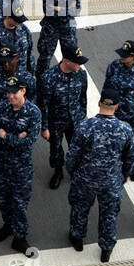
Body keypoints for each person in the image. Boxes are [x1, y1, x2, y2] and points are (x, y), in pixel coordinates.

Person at [66, 93, 134, 262]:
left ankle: (77, 238)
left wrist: (74, 172)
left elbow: (72, 155)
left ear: (99, 103)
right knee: (109, 214)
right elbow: (132, 156)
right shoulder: (125, 128)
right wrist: (124, 175)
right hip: (111, 181)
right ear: (116, 106)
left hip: (85, 179)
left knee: (80, 209)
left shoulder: (86, 126)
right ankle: (106, 248)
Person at [0, 76, 41, 253]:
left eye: (14, 93)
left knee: (19, 202)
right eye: (8, 92)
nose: (11, 96)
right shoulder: (0, 108)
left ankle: (20, 237)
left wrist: (5, 136)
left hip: (21, 167)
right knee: (3, 199)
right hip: (0, 163)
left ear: (23, 91)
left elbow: (29, 141)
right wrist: (15, 137)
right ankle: (8, 225)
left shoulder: (33, 112)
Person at [0, 45, 36, 198]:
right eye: (3, 62)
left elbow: (33, 102)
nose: (6, 65)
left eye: (10, 61)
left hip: (19, 125)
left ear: (17, 58)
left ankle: (14, 183)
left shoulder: (26, 78)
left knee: (17, 155)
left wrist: (31, 126)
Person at [38, 46, 88, 189]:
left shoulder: (81, 75)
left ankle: (75, 171)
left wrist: (82, 117)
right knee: (56, 149)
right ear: (66, 61)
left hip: (75, 120)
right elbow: (43, 105)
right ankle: (58, 172)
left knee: (77, 148)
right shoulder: (48, 77)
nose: (80, 65)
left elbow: (83, 98)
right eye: (77, 62)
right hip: (56, 122)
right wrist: (44, 127)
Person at [102, 40, 134, 180]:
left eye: (125, 55)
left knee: (133, 143)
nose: (121, 57)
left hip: (133, 116)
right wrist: (104, 106)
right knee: (114, 141)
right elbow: (106, 87)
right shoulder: (114, 66)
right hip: (114, 114)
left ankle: (133, 164)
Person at [37, 0, 82, 78]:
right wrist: (66, 8)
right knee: (45, 58)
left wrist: (58, 8)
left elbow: (76, 10)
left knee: (70, 58)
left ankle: (66, 81)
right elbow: (48, 11)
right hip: (51, 28)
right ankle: (41, 82)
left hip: (67, 29)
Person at [0, 5, 34, 75]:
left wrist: (32, 72)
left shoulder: (23, 29)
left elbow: (29, 51)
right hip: (2, 75)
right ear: (8, 17)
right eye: (17, 20)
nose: (20, 23)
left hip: (22, 73)